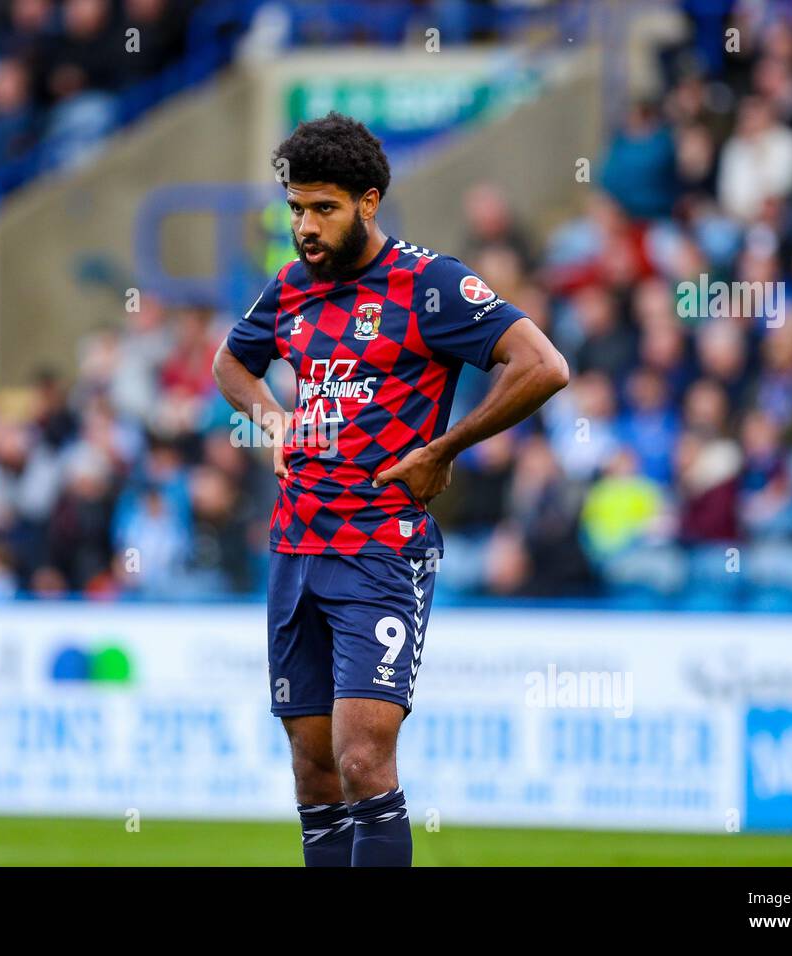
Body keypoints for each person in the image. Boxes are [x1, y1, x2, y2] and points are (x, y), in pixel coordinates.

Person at [211, 113, 567, 867]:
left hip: (379, 548)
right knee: (313, 775)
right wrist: (272, 420)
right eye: (296, 209)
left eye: (323, 208)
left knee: (363, 762)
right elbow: (229, 364)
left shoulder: (429, 285)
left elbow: (542, 364)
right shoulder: (289, 290)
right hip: (295, 545)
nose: (305, 226)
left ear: (369, 202)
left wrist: (445, 447)